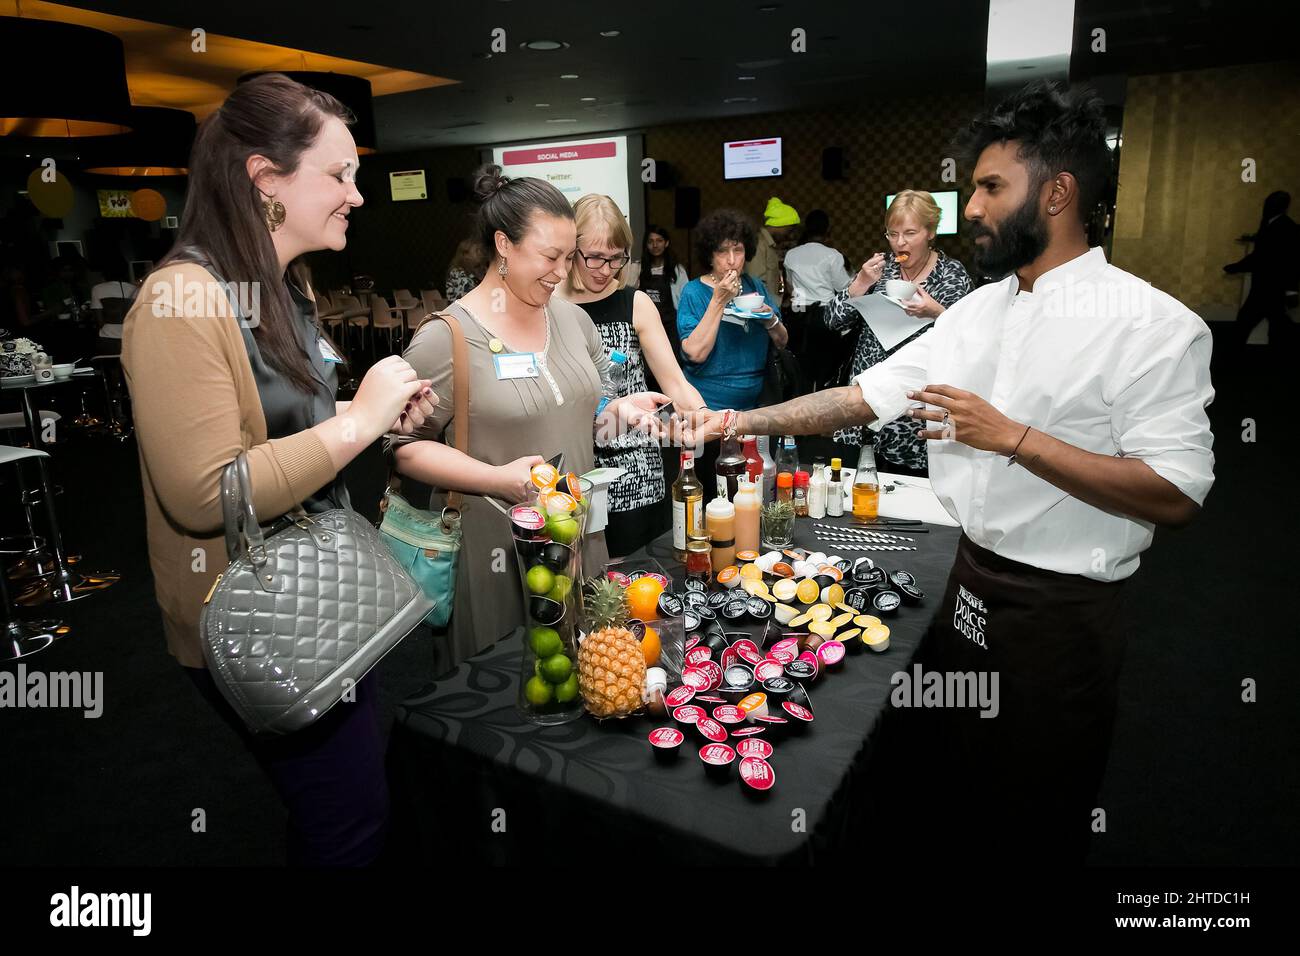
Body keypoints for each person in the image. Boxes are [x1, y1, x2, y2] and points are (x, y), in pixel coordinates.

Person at [690, 81, 1215, 862]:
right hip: (965, 583)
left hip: (1059, 615)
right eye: (974, 186)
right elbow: (858, 399)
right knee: (950, 778)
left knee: (1033, 806)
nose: (970, 207)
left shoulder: (1153, 324)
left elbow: (1174, 493)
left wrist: (1013, 437)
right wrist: (737, 421)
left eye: (991, 187)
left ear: (1059, 191)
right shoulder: (977, 310)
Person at [122, 74, 436, 867]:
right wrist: (358, 419)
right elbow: (208, 492)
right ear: (265, 180)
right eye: (339, 175)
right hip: (258, 623)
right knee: (350, 821)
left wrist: (361, 421)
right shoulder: (180, 301)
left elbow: (281, 433)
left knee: (349, 809)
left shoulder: (285, 287)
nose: (356, 196)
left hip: (316, 596)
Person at [393, 167, 670, 670]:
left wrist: (616, 412)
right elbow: (400, 445)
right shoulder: (448, 336)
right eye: (549, 257)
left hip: (580, 534)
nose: (563, 272)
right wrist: (496, 479)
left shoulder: (573, 320)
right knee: (509, 686)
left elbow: (580, 409)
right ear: (503, 244)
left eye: (569, 257)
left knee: (585, 672)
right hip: (496, 545)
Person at [560, 195, 705, 557]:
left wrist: (707, 417)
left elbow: (674, 383)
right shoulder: (551, 307)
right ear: (570, 250)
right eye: (593, 256)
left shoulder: (634, 302)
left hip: (634, 464)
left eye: (616, 257)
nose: (604, 269)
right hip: (575, 458)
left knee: (636, 569)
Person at [822, 190, 973, 475]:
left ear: (931, 232)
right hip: (866, 399)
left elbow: (971, 337)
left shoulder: (951, 274)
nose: (899, 243)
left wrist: (937, 313)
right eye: (892, 234)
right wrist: (860, 284)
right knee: (857, 490)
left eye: (910, 233)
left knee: (910, 493)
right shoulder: (882, 270)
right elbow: (832, 321)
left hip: (914, 406)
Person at [677, 208, 788, 501]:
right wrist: (719, 300)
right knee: (712, 497)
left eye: (737, 250)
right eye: (722, 251)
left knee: (750, 493)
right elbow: (695, 353)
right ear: (709, 255)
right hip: (708, 414)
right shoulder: (693, 292)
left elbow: (782, 340)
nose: (731, 260)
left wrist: (770, 320)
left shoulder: (755, 287)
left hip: (751, 414)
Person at [1224, 190, 1299, 362]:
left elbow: (1281, 259)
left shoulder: (1279, 227)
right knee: (1276, 323)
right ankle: (1275, 358)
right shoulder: (1280, 225)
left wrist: (1236, 267)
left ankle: (1231, 358)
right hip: (1273, 286)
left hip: (1269, 285)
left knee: (1248, 321)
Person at [782, 208, 851, 380]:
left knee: (801, 366)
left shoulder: (791, 254)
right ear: (828, 230)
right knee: (827, 366)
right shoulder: (832, 255)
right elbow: (843, 286)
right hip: (825, 314)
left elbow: (790, 286)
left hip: (798, 314)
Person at [631, 224, 689, 367]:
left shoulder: (677, 271)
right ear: (646, 245)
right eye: (651, 241)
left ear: (666, 243)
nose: (655, 245)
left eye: (659, 240)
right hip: (645, 329)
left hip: (670, 328)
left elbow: (684, 303)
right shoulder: (638, 268)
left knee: (671, 365)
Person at [747, 197, 799, 302]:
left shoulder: (768, 245)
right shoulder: (759, 244)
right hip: (762, 309)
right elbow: (756, 283)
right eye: (789, 230)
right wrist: (776, 303)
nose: (789, 235)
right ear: (781, 225)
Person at [89, 257, 138, 356]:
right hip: (130, 337)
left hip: (108, 338)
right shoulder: (135, 289)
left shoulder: (98, 289)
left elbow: (99, 320)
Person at [444, 236, 487, 302]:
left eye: (482, 250)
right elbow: (469, 298)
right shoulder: (457, 273)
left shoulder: (480, 268)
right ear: (466, 255)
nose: (481, 254)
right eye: (477, 251)